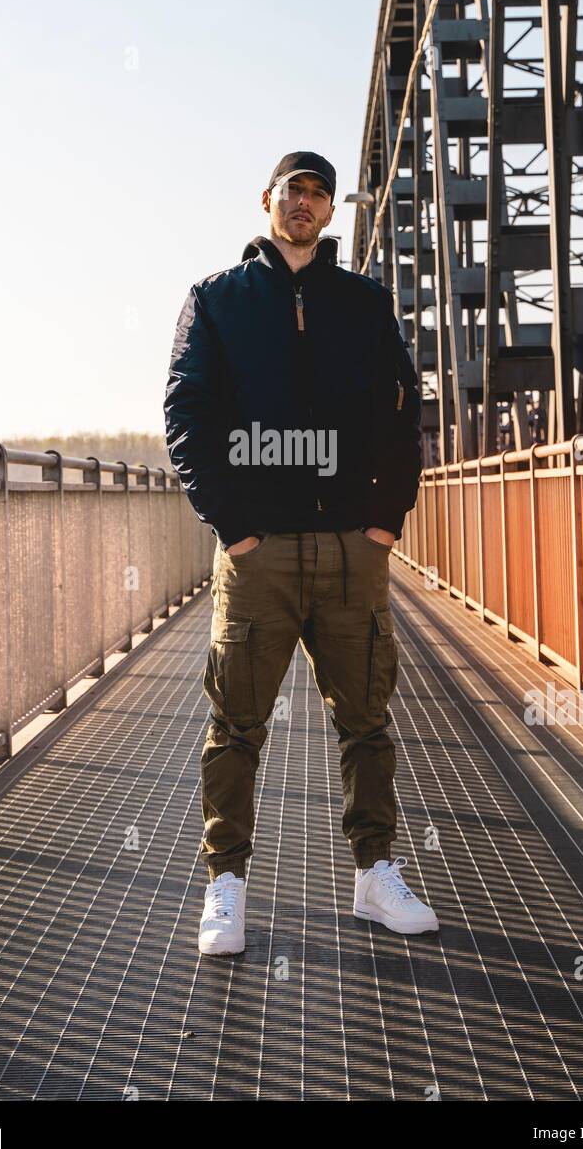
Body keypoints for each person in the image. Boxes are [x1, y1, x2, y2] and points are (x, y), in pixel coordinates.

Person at [164, 150, 439, 955]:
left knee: (367, 721)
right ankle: (227, 885)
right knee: (237, 723)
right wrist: (231, 523)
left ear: (330, 212)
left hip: (355, 546)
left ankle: (374, 878)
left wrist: (387, 516)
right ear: (267, 202)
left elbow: (403, 408)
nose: (307, 205)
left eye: (320, 195)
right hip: (261, 552)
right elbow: (187, 414)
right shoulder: (217, 300)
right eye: (294, 192)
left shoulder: (362, 300)